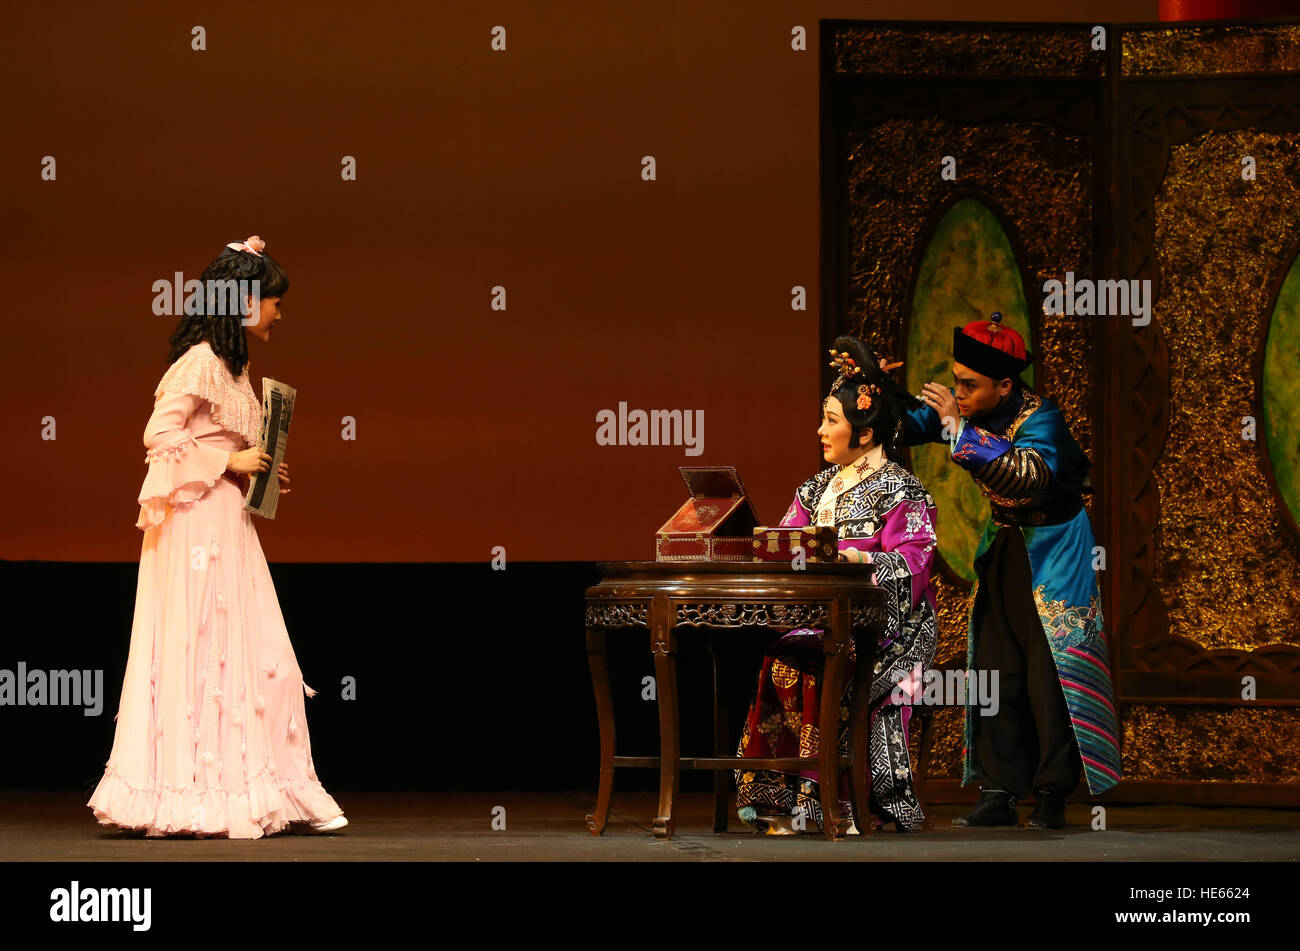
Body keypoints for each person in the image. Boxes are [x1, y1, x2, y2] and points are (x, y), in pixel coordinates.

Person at [87, 236, 347, 838]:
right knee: (203, 647)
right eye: (273, 300)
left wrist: (259, 464)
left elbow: (224, 442)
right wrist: (230, 463)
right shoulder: (200, 360)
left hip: (229, 523)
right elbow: (159, 437)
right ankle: (199, 796)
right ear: (244, 300)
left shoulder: (236, 368)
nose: (279, 312)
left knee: (257, 654)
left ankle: (269, 786)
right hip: (196, 522)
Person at [900, 311, 1120, 830]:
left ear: (1005, 385)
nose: (960, 392)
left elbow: (1025, 477)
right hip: (1005, 542)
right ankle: (999, 789)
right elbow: (903, 426)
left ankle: (1051, 791)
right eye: (955, 382)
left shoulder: (1042, 419)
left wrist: (957, 426)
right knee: (996, 666)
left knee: (1050, 670)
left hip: (1056, 545)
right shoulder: (968, 409)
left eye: (969, 385)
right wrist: (871, 388)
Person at [734, 335, 939, 834]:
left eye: (832, 420)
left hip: (894, 628)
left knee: (836, 660)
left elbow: (914, 563)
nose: (820, 430)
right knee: (784, 654)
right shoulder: (812, 490)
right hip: (825, 620)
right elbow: (785, 546)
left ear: (865, 434)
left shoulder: (901, 490)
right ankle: (783, 797)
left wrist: (856, 561)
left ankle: (837, 799)